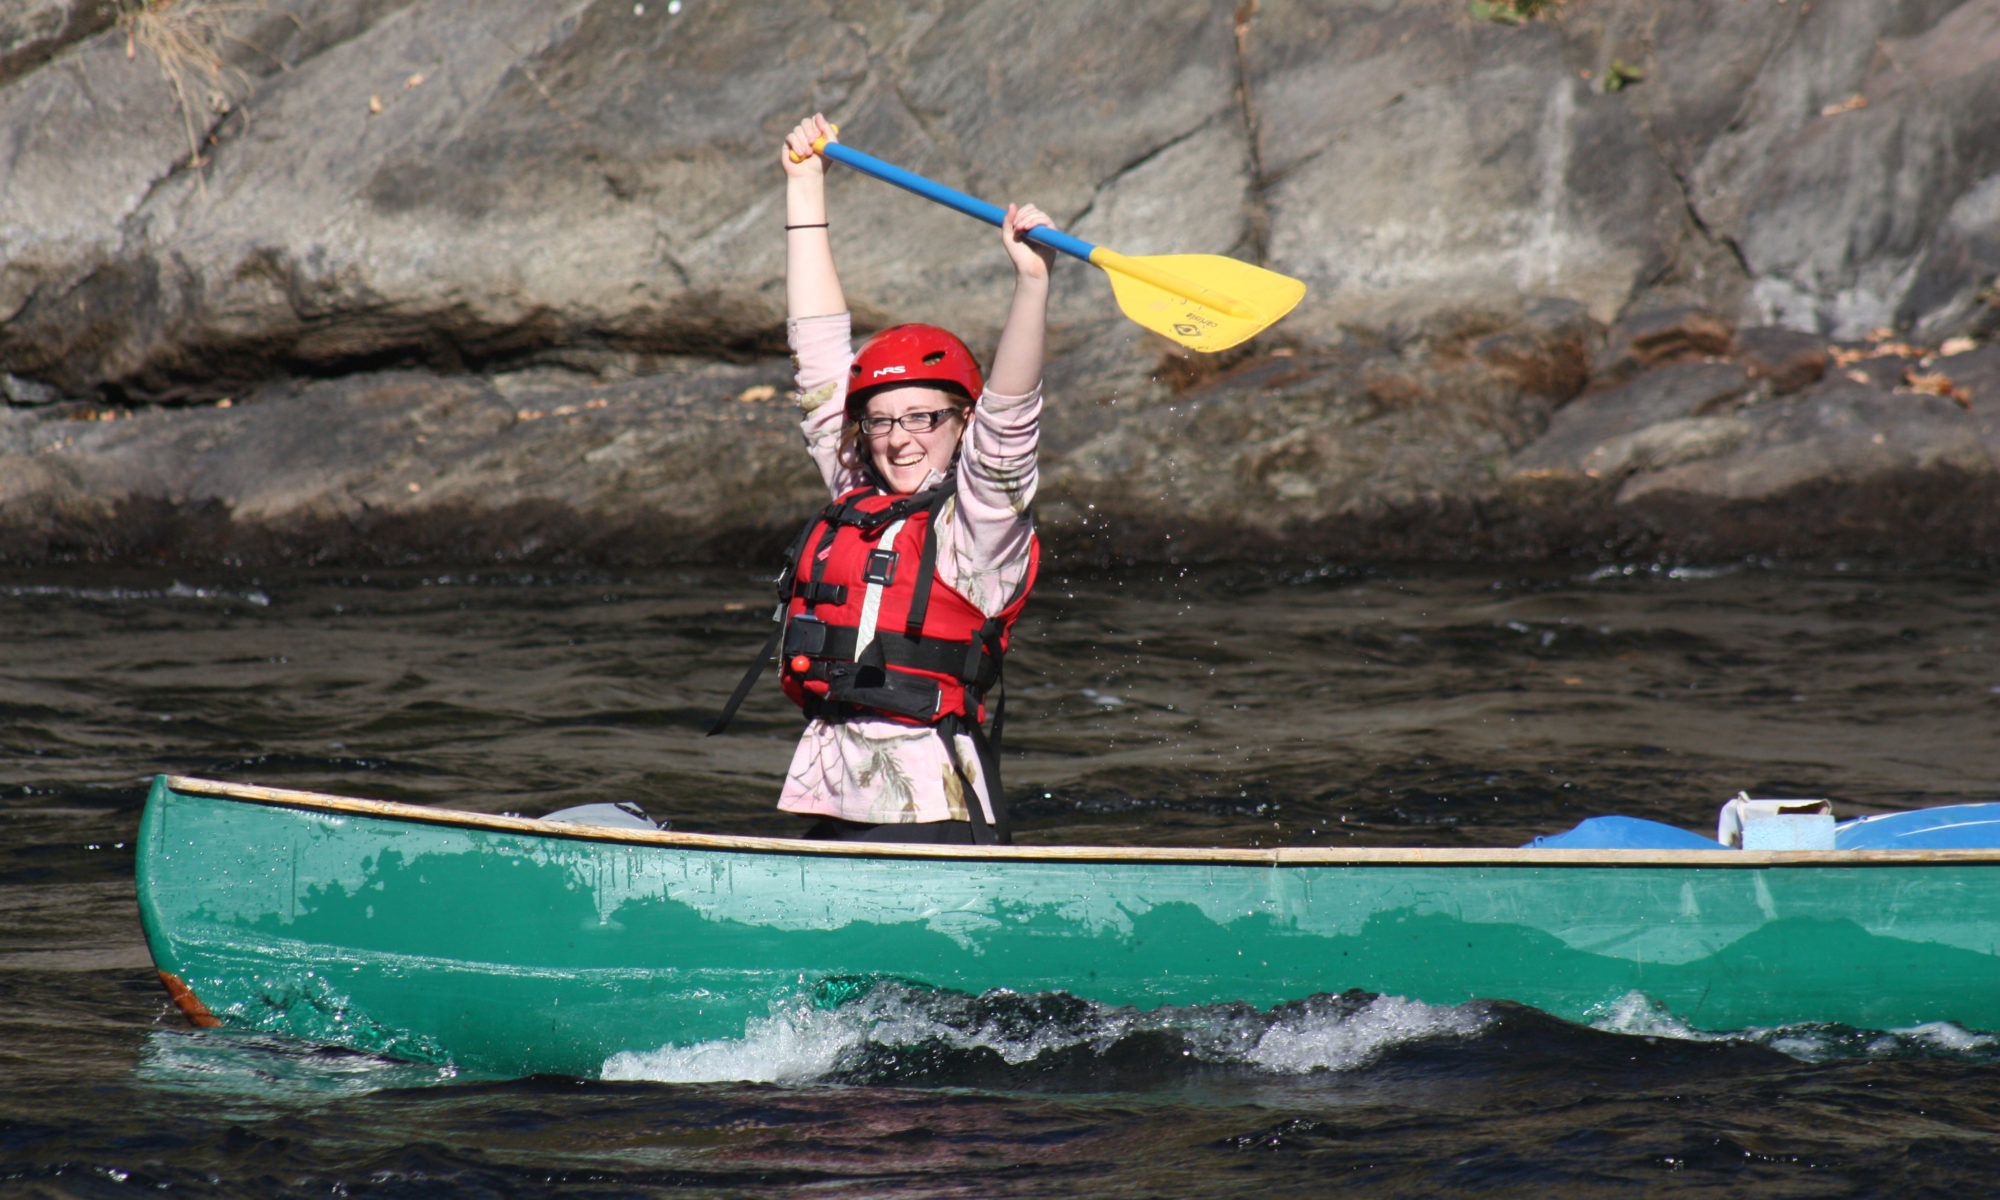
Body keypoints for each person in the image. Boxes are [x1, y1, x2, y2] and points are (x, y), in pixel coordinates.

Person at [754, 112, 1054, 845]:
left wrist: (1033, 285)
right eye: (883, 420)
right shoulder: (858, 489)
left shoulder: (981, 523)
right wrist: (804, 189)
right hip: (829, 787)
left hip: (932, 806)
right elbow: (819, 355)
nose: (899, 439)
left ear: (962, 422)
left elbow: (1010, 422)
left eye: (924, 418)